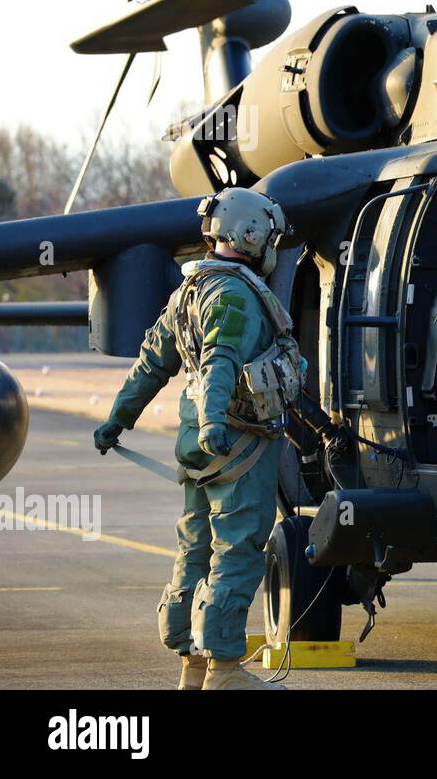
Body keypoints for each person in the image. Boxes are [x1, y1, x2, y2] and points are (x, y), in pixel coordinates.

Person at [92, 188, 305, 690]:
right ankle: (226, 669)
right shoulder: (233, 295)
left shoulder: (190, 291)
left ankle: (190, 663)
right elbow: (220, 363)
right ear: (250, 235)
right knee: (237, 550)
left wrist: (117, 420)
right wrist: (214, 425)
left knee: (194, 548)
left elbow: (152, 363)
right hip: (235, 444)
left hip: (195, 448)